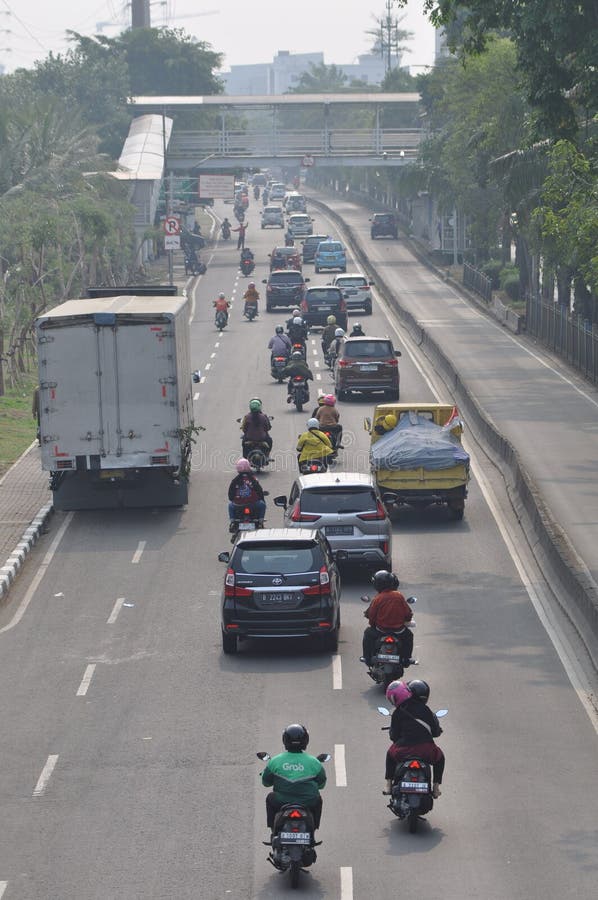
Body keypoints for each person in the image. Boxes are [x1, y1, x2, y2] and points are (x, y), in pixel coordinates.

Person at [384, 679, 445, 799]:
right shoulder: (426, 710)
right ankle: (436, 787)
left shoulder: (397, 713)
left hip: (403, 751)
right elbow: (435, 732)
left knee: (390, 755)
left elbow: (394, 737)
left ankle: (388, 784)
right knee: (440, 758)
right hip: (426, 750)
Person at [262, 724, 327, 831]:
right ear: (306, 741)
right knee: (318, 799)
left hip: (281, 801)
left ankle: (273, 828)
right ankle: (313, 829)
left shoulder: (275, 761)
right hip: (308, 801)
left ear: (285, 740)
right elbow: (322, 784)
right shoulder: (314, 762)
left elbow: (266, 782)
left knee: (270, 798)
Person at [362, 570, 414, 666]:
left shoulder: (377, 598)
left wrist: (372, 624)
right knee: (409, 636)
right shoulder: (399, 596)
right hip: (399, 631)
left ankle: (367, 658)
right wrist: (407, 620)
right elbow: (408, 613)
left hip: (381, 630)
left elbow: (372, 615)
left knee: (367, 634)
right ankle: (406, 659)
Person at [228, 458, 266, 523]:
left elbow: (230, 495)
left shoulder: (235, 481)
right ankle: (260, 520)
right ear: (248, 467)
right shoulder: (253, 479)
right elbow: (259, 491)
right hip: (253, 504)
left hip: (238, 505)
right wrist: (262, 498)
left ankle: (232, 521)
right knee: (263, 505)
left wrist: (235, 500)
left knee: (230, 505)